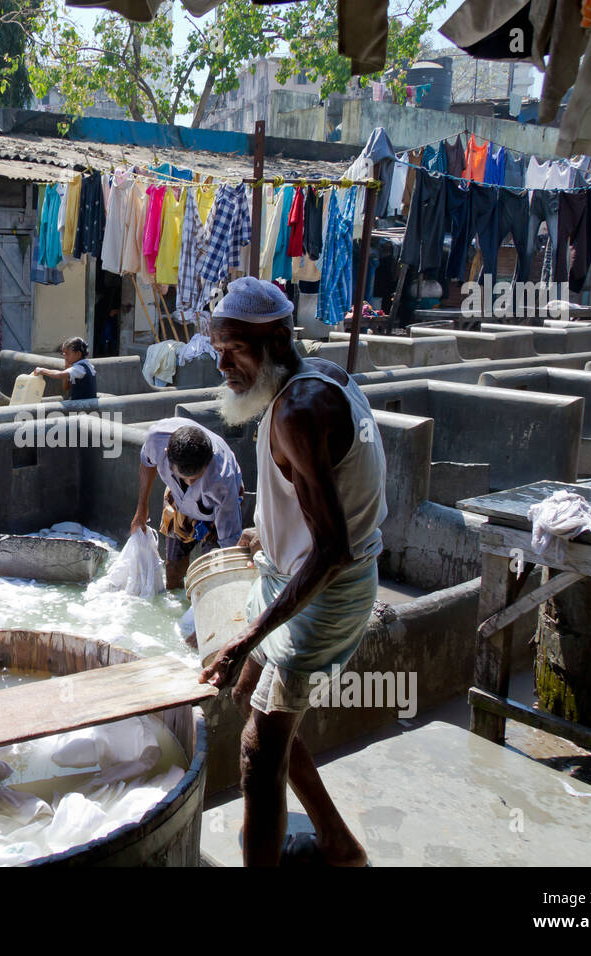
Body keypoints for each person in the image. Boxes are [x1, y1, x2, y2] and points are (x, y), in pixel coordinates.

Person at [198, 277, 387, 868]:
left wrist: (245, 638)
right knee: (255, 699)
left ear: (277, 340)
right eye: (218, 350)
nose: (224, 365)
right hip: (292, 578)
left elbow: (332, 550)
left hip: (326, 592)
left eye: (236, 350)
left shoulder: (299, 412)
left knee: (257, 749)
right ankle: (335, 843)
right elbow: (320, 498)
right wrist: (266, 532)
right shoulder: (312, 377)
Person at [130, 419, 244, 591]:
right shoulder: (157, 440)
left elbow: (229, 543)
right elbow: (147, 462)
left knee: (211, 576)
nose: (191, 483)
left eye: (196, 478)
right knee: (172, 569)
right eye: (185, 477)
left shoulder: (222, 481)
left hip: (214, 511)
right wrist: (141, 510)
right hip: (178, 501)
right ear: (168, 454)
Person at [32, 336, 96, 400]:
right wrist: (66, 367)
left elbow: (59, 375)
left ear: (78, 354)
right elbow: (66, 387)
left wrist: (42, 370)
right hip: (85, 405)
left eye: (67, 354)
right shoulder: (87, 365)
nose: (65, 357)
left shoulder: (79, 368)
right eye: (64, 354)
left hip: (83, 407)